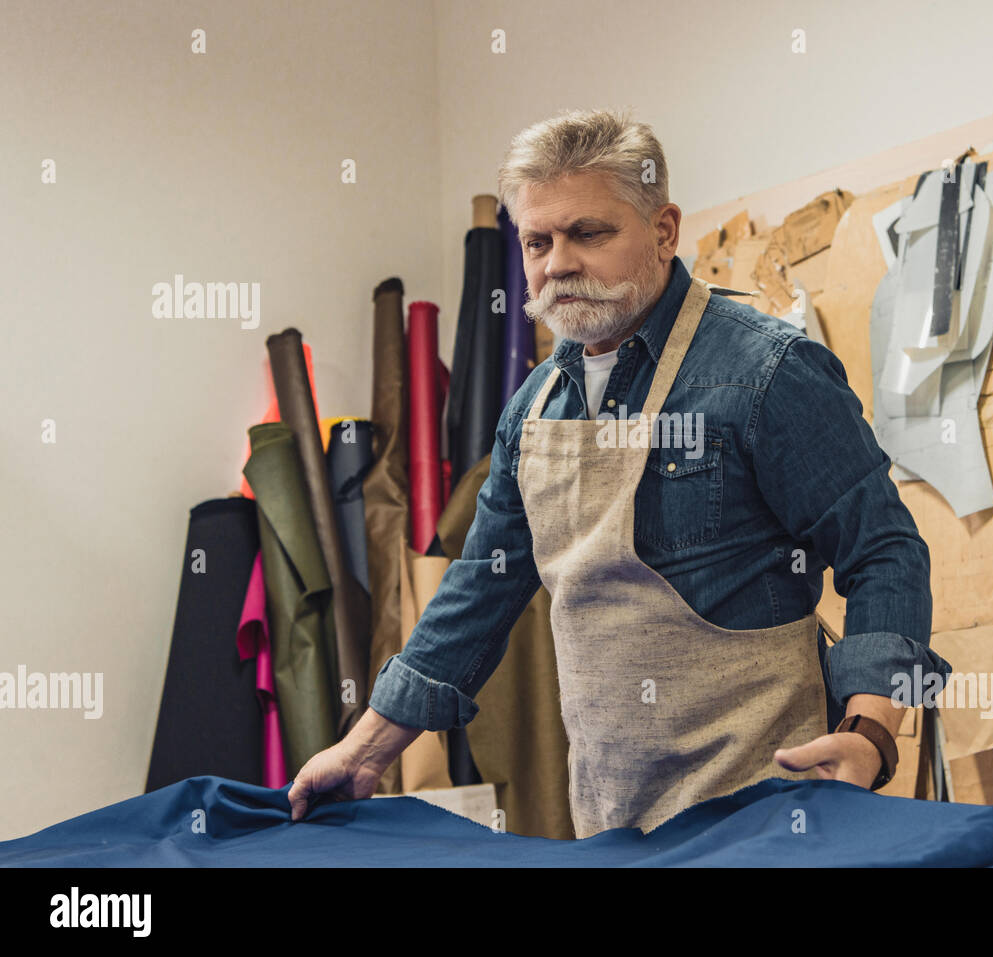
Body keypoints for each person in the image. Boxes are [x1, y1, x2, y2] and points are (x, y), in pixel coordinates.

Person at [288, 108, 951, 837]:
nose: (557, 262)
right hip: (612, 822)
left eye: (588, 233)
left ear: (664, 230)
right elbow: (477, 592)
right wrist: (362, 752)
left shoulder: (766, 374)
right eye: (537, 241)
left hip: (772, 813)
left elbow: (884, 550)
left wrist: (871, 732)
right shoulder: (532, 412)